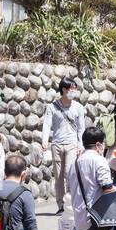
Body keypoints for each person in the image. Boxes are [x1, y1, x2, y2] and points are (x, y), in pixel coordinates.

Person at [42, 78, 86, 213]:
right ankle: (61, 205)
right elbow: (47, 124)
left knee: (69, 172)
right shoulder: (52, 107)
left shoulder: (78, 107)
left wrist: (81, 144)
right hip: (57, 144)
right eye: (71, 89)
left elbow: (81, 128)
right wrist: (44, 139)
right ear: (64, 90)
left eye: (74, 89)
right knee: (59, 176)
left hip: (72, 144)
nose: (73, 91)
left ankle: (70, 202)